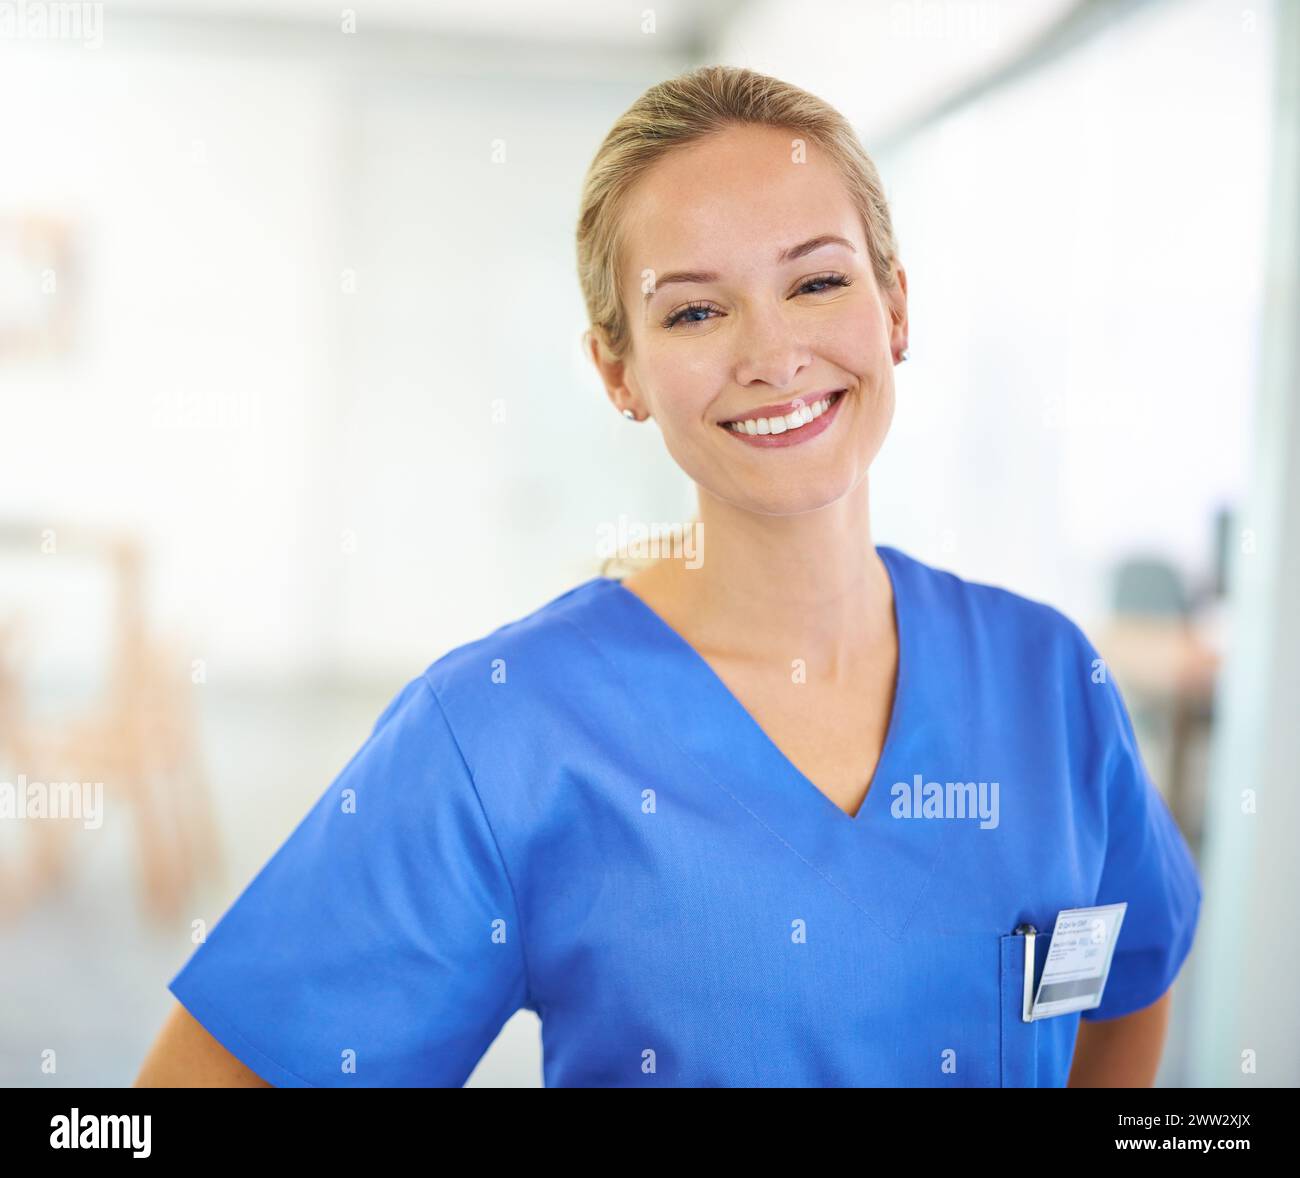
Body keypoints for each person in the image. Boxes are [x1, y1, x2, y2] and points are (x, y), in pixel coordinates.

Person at [136, 64, 1201, 1089]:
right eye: (695, 310)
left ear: (895, 306)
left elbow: (1124, 983)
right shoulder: (504, 729)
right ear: (619, 370)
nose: (772, 352)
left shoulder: (1049, 680)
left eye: (818, 280)